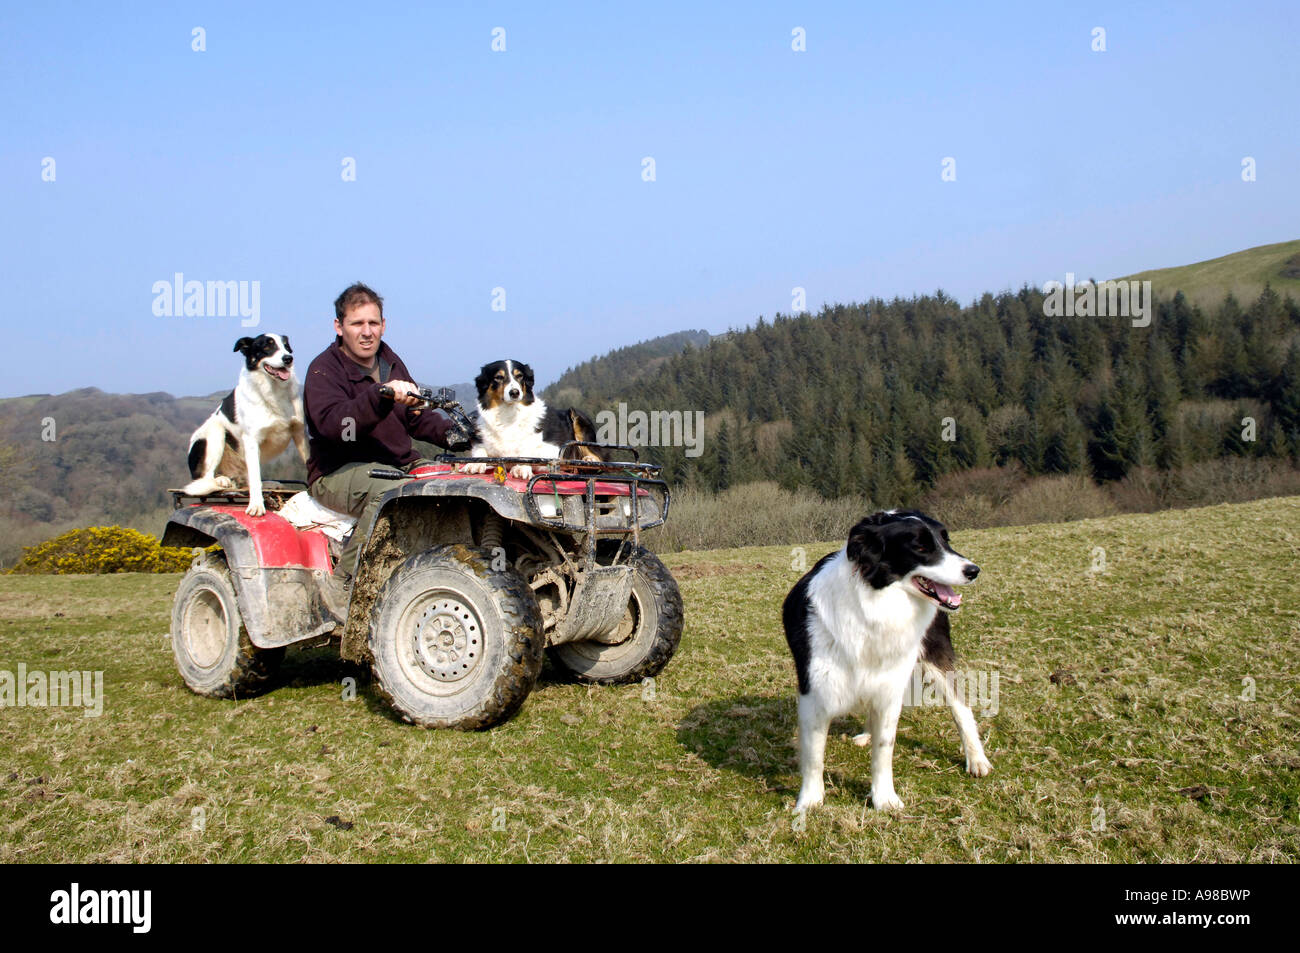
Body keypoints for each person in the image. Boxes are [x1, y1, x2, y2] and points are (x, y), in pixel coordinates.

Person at [304, 282, 470, 618]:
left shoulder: (391, 363)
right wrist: (380, 397)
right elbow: (336, 427)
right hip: (338, 471)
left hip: (396, 464)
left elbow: (416, 418)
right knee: (390, 493)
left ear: (383, 324)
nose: (367, 332)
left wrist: (456, 436)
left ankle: (447, 575)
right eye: (357, 324)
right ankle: (344, 587)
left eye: (373, 323)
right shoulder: (323, 370)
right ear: (339, 327)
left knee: (455, 484)